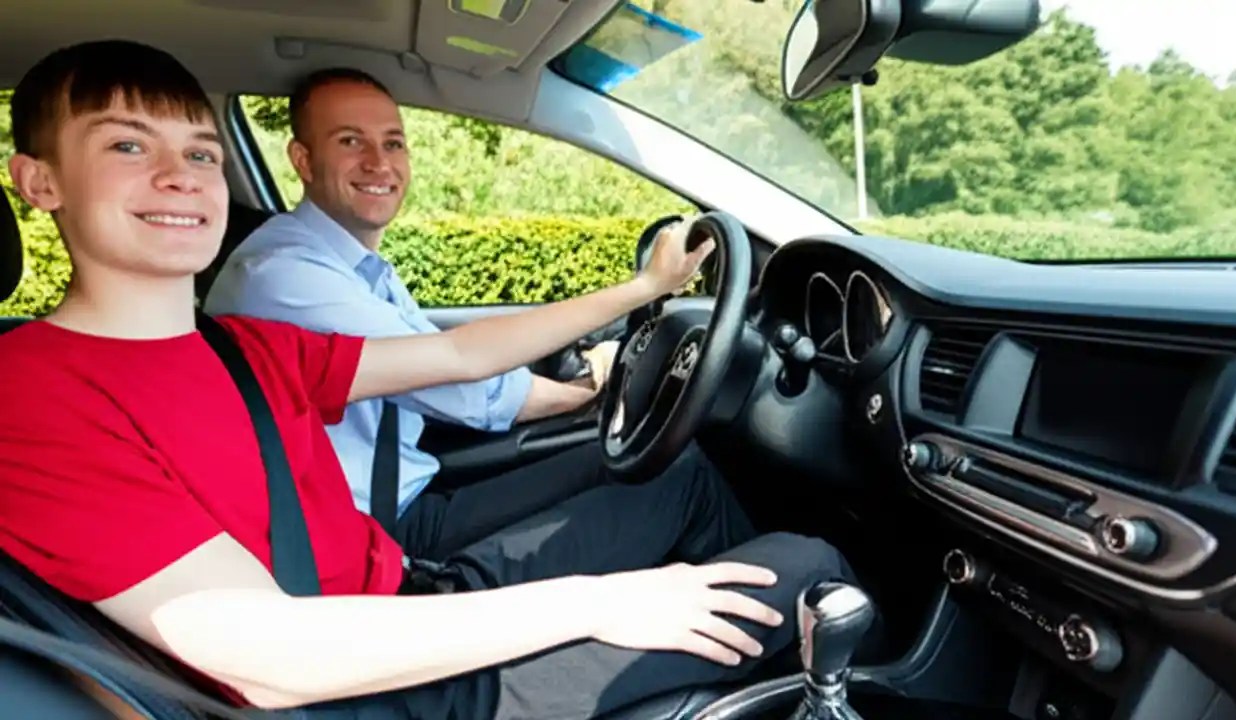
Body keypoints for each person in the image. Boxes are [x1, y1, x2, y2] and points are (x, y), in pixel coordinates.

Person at [0, 39, 863, 720]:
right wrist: (600, 605)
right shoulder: (30, 391)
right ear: (39, 181)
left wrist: (643, 289)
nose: (180, 178)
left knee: (680, 488)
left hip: (405, 591)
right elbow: (269, 658)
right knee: (812, 568)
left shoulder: (237, 347)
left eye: (198, 153)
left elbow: (459, 358)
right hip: (367, 691)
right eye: (125, 145)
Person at [201, 68, 744, 570]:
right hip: (380, 535)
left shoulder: (348, 263)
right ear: (302, 159)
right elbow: (459, 379)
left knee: (628, 461)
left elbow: (447, 363)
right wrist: (589, 382)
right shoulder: (283, 275)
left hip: (402, 489)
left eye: (393, 142)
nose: (379, 161)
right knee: (683, 478)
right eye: (350, 142)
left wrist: (588, 387)